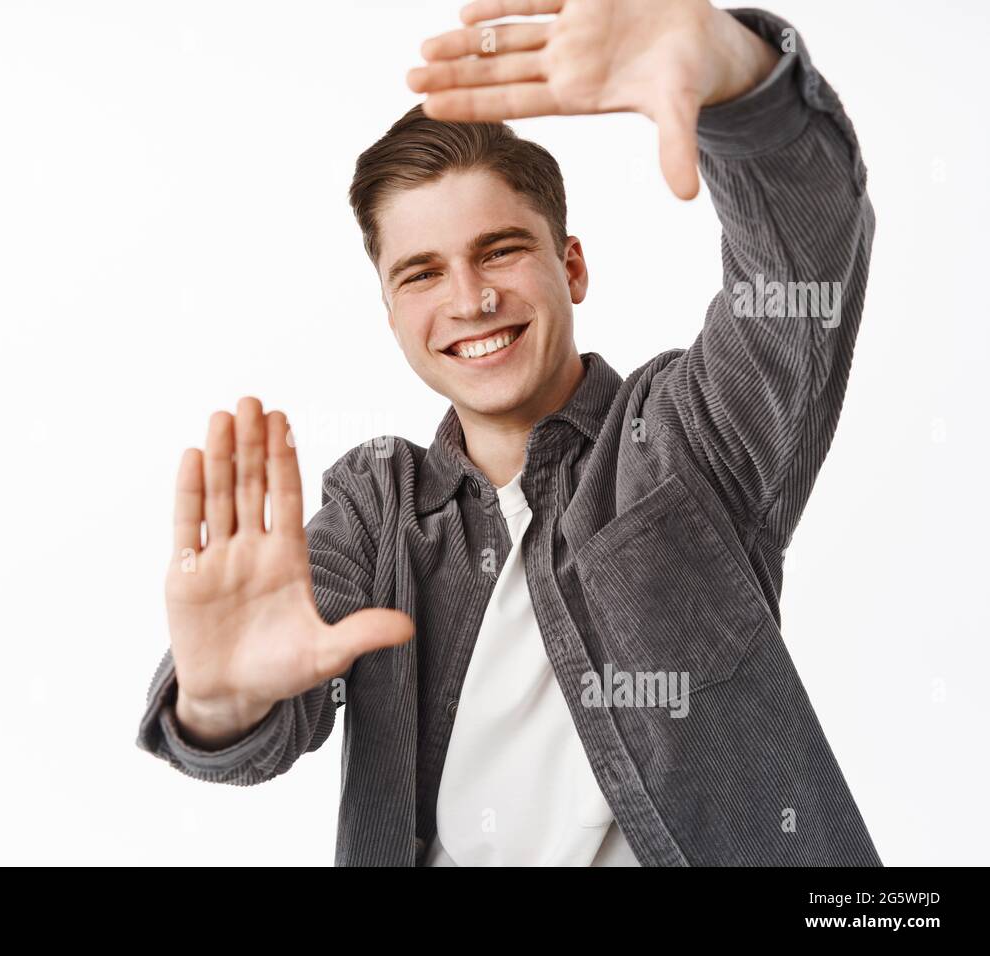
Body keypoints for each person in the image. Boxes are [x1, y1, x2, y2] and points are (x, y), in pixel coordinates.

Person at [136, 0, 881, 866]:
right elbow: (271, 705)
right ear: (390, 315)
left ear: (572, 266)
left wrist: (739, 81)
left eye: (499, 251)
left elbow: (802, 261)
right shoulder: (378, 506)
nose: (469, 298)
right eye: (422, 272)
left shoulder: (689, 439)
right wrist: (222, 705)